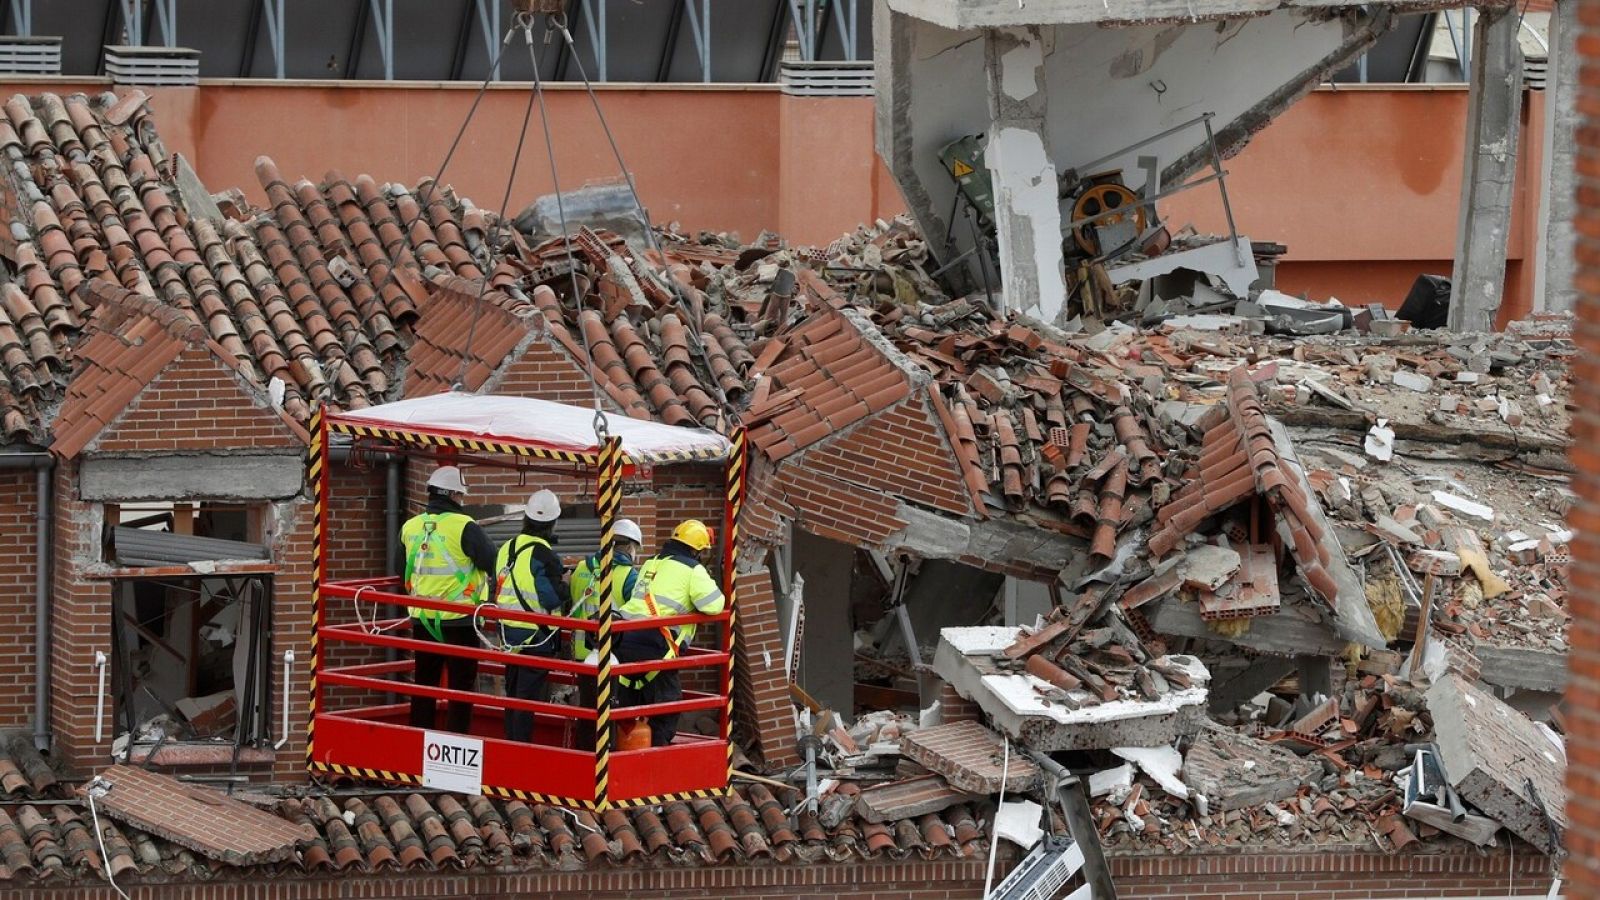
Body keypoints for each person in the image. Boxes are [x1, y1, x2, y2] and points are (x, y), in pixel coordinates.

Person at [614, 519, 726, 746]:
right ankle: (653, 757)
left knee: (627, 707)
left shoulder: (651, 562)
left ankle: (623, 752)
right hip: (657, 646)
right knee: (667, 706)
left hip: (626, 638)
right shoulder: (694, 570)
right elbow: (714, 605)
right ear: (696, 550)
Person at [401, 465, 497, 733]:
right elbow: (492, 561)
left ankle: (418, 738)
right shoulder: (465, 526)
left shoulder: (411, 527)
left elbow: (403, 571)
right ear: (456, 494)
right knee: (461, 689)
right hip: (460, 620)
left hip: (423, 618)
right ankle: (457, 742)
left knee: (424, 683)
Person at [494, 489, 567, 743]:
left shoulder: (506, 548)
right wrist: (565, 585)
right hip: (536, 637)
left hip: (508, 635)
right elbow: (551, 598)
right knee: (526, 699)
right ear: (553, 522)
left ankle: (510, 744)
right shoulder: (544, 554)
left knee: (514, 695)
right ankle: (520, 750)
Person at [567, 518, 643, 747]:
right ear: (631, 546)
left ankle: (585, 754)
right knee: (609, 711)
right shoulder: (629, 576)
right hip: (612, 655)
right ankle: (603, 759)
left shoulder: (581, 568)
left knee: (588, 710)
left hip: (582, 653)